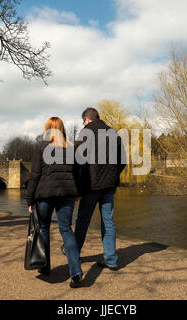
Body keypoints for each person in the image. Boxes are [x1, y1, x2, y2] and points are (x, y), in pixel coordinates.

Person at [62, 107, 126, 270]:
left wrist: (78, 189)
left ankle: (74, 253)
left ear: (87, 120)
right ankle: (111, 259)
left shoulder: (85, 134)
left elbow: (79, 165)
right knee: (108, 221)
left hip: (91, 185)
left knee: (83, 220)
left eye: (84, 122)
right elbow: (123, 160)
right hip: (109, 186)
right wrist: (113, 174)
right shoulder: (113, 133)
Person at [26, 117, 83, 288]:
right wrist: (78, 192)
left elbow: (35, 174)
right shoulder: (72, 147)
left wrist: (30, 198)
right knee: (66, 229)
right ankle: (76, 272)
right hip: (67, 194)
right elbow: (79, 173)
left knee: (44, 228)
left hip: (45, 193)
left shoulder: (40, 146)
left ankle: (44, 266)